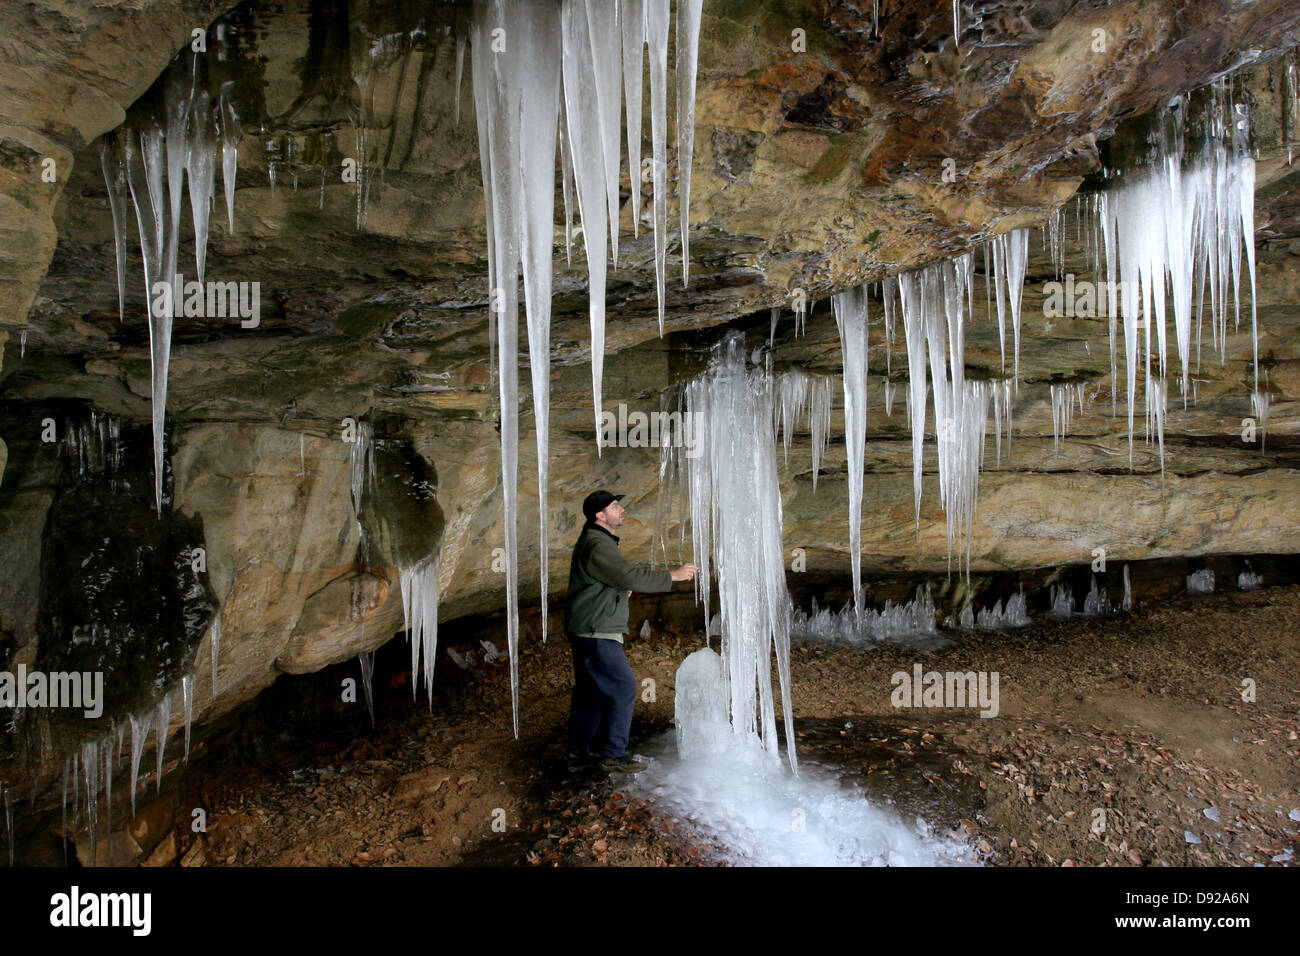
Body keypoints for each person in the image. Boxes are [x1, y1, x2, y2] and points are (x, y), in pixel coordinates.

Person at [563, 490, 697, 774]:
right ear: (600, 515)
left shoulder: (598, 541)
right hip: (595, 630)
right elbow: (626, 574)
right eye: (614, 506)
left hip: (590, 628)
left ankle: (577, 752)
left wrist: (620, 588)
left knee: (591, 692)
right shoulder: (597, 543)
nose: (621, 509)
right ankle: (613, 753)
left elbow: (612, 579)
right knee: (623, 688)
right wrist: (671, 575)